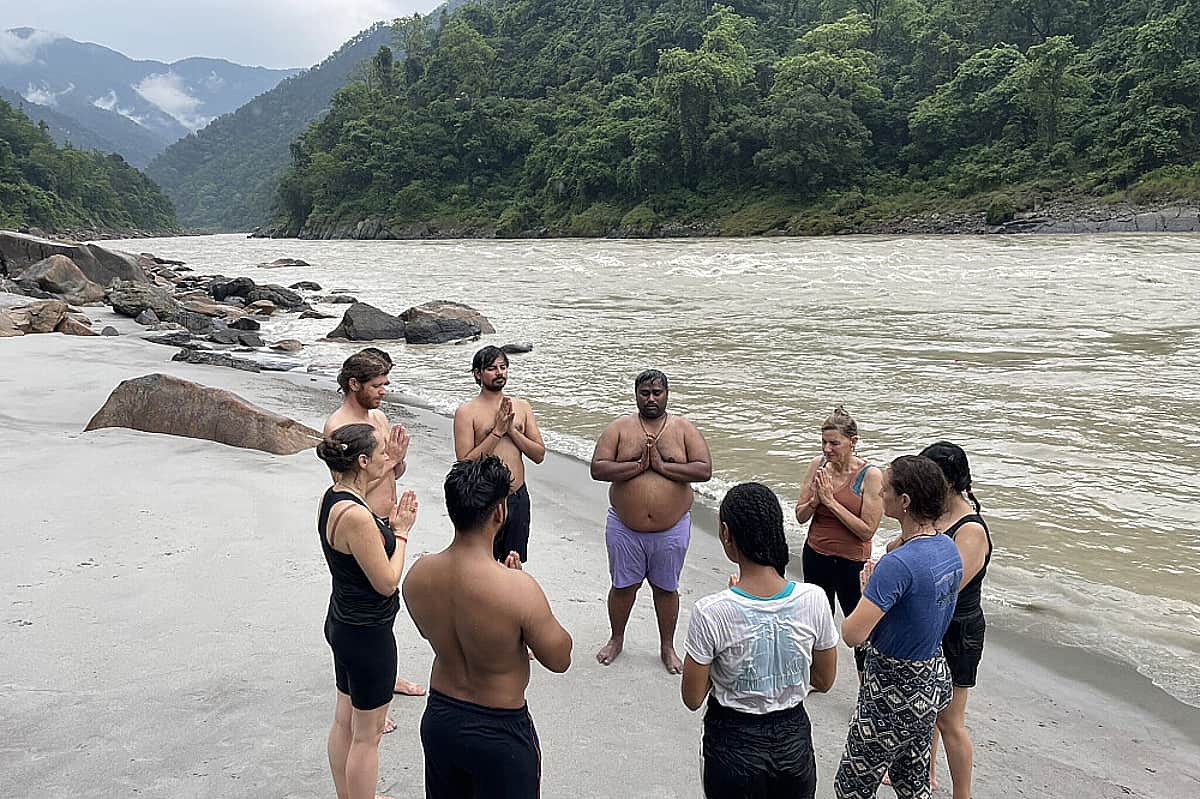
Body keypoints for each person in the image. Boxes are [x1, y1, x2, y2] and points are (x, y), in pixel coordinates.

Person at [402, 457, 573, 799]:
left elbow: (433, 632)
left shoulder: (417, 576)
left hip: (440, 719)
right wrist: (523, 603)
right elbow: (559, 657)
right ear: (499, 512)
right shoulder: (517, 590)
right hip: (500, 731)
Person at [682, 482, 839, 799]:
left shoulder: (712, 611)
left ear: (727, 534)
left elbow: (693, 696)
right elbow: (824, 680)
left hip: (733, 741)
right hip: (793, 738)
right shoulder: (814, 600)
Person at [834, 455, 962, 799]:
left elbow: (852, 634)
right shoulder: (949, 548)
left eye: (885, 490)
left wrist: (865, 592)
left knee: (851, 788)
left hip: (892, 691)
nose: (879, 494)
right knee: (912, 783)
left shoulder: (898, 565)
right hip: (930, 681)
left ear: (904, 502)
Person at [317, 424, 420, 799]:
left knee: (345, 721)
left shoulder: (334, 497)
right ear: (362, 462)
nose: (387, 460)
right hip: (366, 635)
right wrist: (403, 533)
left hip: (343, 622)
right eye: (381, 455)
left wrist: (387, 527)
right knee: (367, 736)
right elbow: (387, 582)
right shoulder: (357, 516)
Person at [591, 369, 712, 673]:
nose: (651, 398)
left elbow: (703, 470)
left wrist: (661, 466)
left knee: (666, 588)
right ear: (636, 394)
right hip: (624, 526)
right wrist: (636, 466)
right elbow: (598, 468)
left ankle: (667, 647)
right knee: (623, 586)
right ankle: (616, 639)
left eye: (657, 392)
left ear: (667, 394)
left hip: (671, 527)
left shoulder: (683, 429)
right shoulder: (620, 428)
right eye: (645, 393)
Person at [326, 350, 426, 713]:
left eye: (386, 384)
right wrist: (393, 461)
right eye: (378, 385)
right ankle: (366, 695)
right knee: (363, 604)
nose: (384, 391)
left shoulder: (379, 417)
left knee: (385, 609)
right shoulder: (339, 427)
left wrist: (397, 461)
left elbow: (391, 472)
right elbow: (351, 490)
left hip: (387, 519)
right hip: (361, 525)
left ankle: (382, 678)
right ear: (354, 384)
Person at [921, 442, 993, 799]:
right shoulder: (934, 514)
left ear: (947, 481)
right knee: (928, 709)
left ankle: (961, 794)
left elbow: (950, 583)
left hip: (959, 628)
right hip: (932, 622)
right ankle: (927, 772)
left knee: (950, 720)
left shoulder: (971, 529)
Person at [794, 406, 882, 677]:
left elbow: (867, 531)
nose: (827, 449)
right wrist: (815, 501)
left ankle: (866, 684)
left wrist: (831, 502)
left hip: (852, 562)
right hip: (817, 553)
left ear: (853, 442)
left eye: (834, 443)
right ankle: (818, 676)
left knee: (859, 628)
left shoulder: (870, 475)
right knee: (817, 619)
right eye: (823, 443)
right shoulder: (817, 466)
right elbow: (800, 516)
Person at [453, 345, 545, 563]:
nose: (500, 373)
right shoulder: (467, 412)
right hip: (483, 497)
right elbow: (464, 462)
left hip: (516, 495)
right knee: (481, 561)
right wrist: (497, 432)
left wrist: (512, 431)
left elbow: (539, 454)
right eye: (492, 368)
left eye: (503, 367)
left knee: (514, 560)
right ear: (478, 373)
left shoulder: (521, 407)